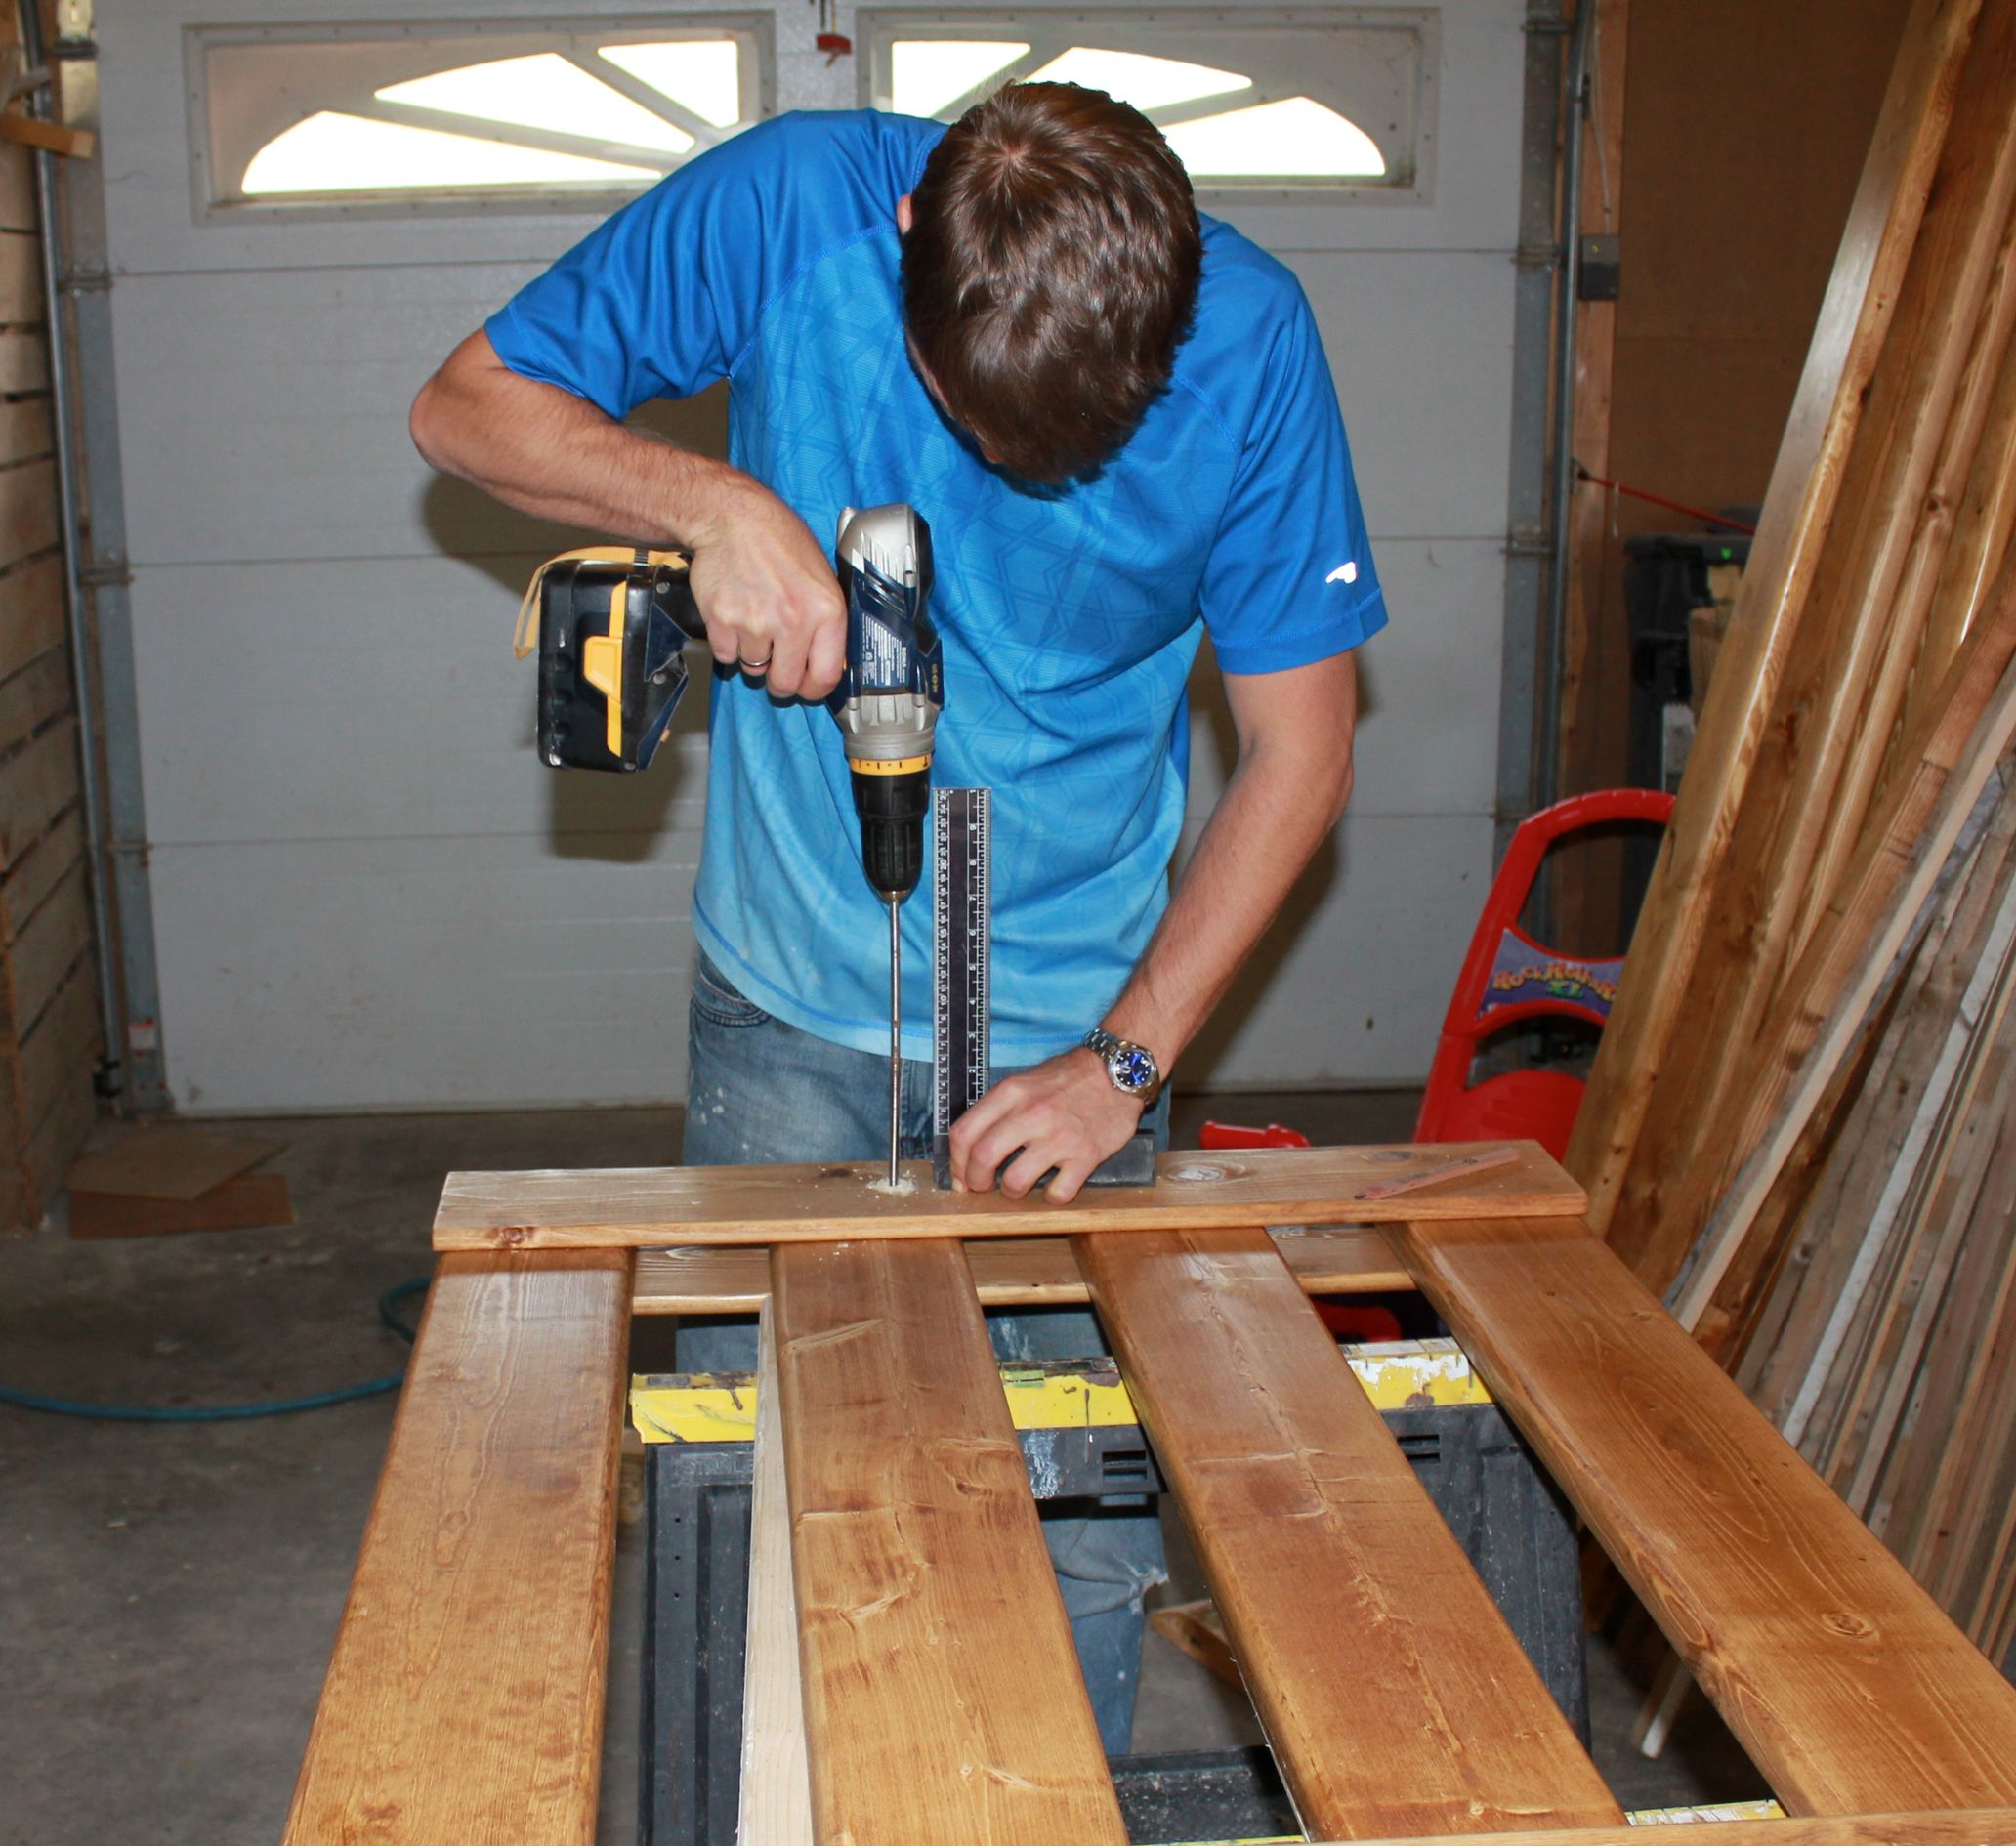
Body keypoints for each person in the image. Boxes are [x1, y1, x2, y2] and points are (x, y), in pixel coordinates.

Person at [410, 82, 1385, 1751]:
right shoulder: (794, 206)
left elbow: (1305, 751)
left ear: (1174, 305)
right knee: (762, 1495)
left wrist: (1127, 1066)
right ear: (909, 238)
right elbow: (462, 409)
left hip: (1074, 1024)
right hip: (791, 999)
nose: (1010, 476)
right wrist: (715, 506)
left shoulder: (1253, 340)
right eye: (970, 424)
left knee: (1075, 1534)